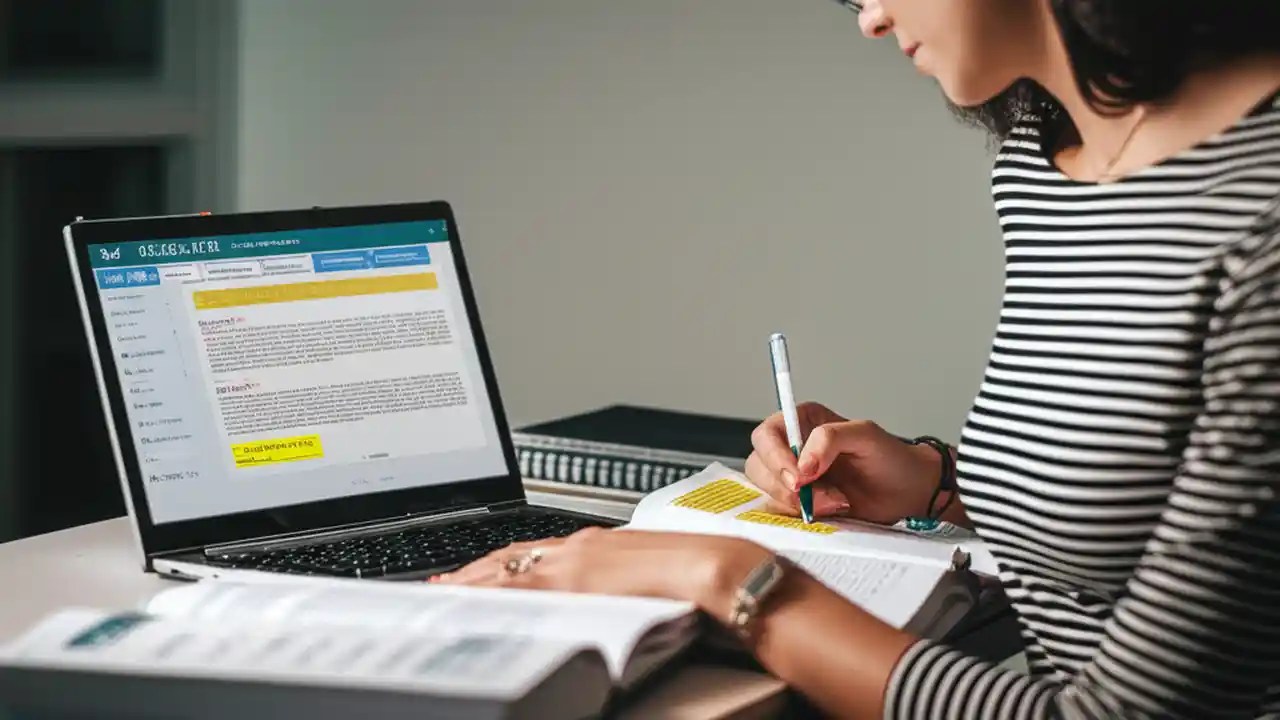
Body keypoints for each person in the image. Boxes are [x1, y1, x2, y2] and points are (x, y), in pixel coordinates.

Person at [438, 1, 1280, 717]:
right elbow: (1141, 507)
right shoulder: (1044, 157)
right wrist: (935, 487)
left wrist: (729, 577)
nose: (872, 18)